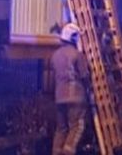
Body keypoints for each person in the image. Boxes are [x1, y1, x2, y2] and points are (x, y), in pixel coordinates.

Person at [51, 23, 89, 155]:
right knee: (77, 127)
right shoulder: (77, 55)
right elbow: (85, 75)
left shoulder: (55, 56)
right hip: (76, 97)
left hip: (59, 97)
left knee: (61, 129)